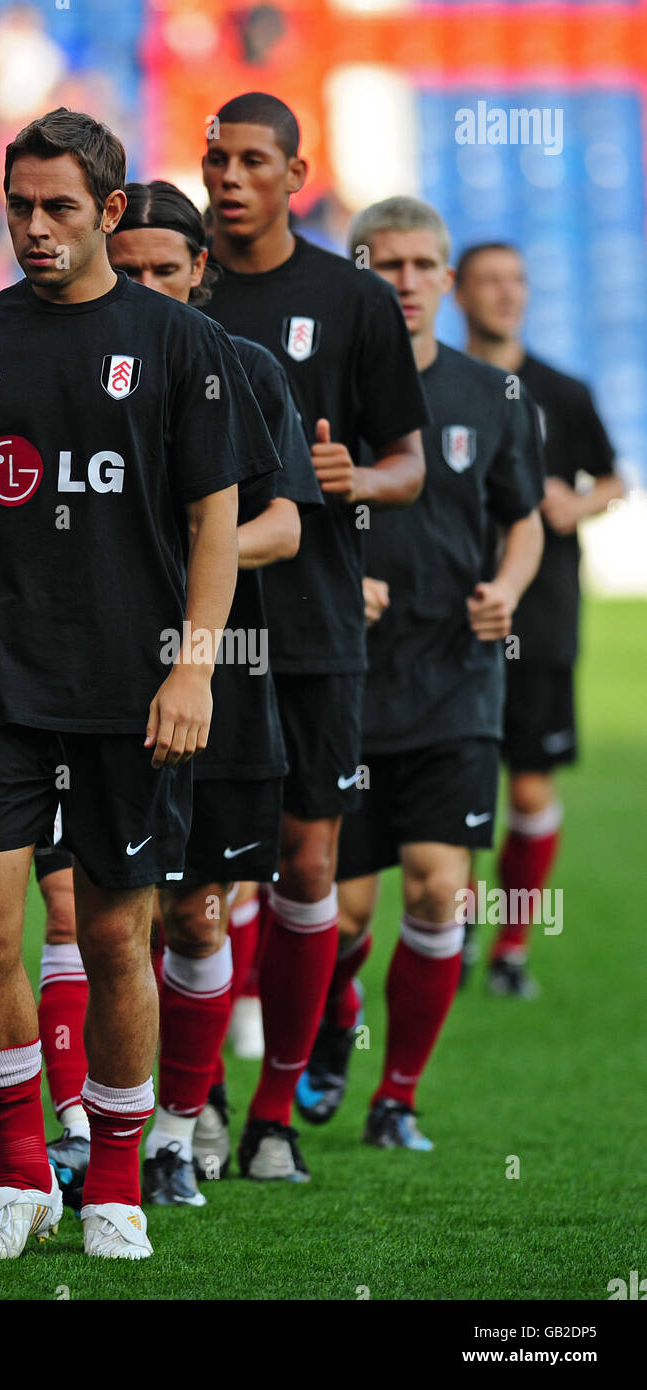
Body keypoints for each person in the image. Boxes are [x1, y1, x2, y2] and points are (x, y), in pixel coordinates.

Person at [0, 108, 280, 1261]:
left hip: (129, 691)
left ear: (107, 210)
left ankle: (112, 1184)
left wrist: (190, 669)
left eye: (57, 208)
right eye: (18, 206)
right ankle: (13, 1177)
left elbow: (215, 521)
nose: (34, 228)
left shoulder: (179, 346)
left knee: (113, 937)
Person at [34, 178, 322, 1209]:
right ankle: (72, 1131)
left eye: (168, 267)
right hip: (84, 681)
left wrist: (176, 559)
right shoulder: (61, 358)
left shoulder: (241, 370)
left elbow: (285, 524)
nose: (149, 283)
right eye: (136, 266)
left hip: (220, 680)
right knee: (79, 910)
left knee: (196, 919)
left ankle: (170, 1131)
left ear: (201, 272)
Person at [201, 92, 427, 1180]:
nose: (229, 177)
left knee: (306, 862)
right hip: (184, 627)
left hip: (311, 625)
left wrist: (355, 479)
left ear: (296, 173)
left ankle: (272, 1114)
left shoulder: (349, 300)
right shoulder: (163, 283)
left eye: (253, 160)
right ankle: (177, 1107)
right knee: (187, 878)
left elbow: (407, 460)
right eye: (216, 158)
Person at [298, 197, 544, 1147]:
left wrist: (509, 588)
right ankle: (330, 1018)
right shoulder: (324, 386)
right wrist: (334, 582)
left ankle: (396, 1096)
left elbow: (519, 516)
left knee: (439, 888)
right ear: (361, 274)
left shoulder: (493, 396)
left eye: (420, 265)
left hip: (456, 683)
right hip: (346, 683)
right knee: (344, 911)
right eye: (384, 265)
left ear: (446, 278)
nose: (404, 282)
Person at [455, 242, 624, 996]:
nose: (505, 293)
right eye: (489, 280)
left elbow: (614, 475)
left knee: (526, 790)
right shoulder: (434, 387)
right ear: (459, 292)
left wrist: (580, 500)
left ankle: (512, 945)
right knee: (453, 788)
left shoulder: (563, 389)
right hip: (449, 612)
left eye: (516, 280)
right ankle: (449, 931)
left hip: (544, 610)